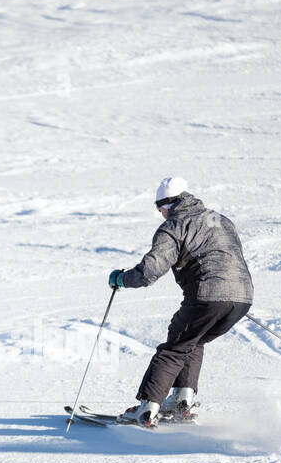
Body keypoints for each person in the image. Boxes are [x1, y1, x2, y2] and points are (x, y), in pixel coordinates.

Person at [107, 176, 253, 428]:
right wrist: (231, 293)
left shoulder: (175, 225)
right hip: (242, 297)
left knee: (174, 348)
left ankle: (147, 409)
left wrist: (121, 279)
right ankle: (182, 403)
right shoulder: (219, 219)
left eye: (159, 208)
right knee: (191, 340)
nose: (160, 213)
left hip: (208, 294)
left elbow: (149, 271)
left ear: (167, 204)